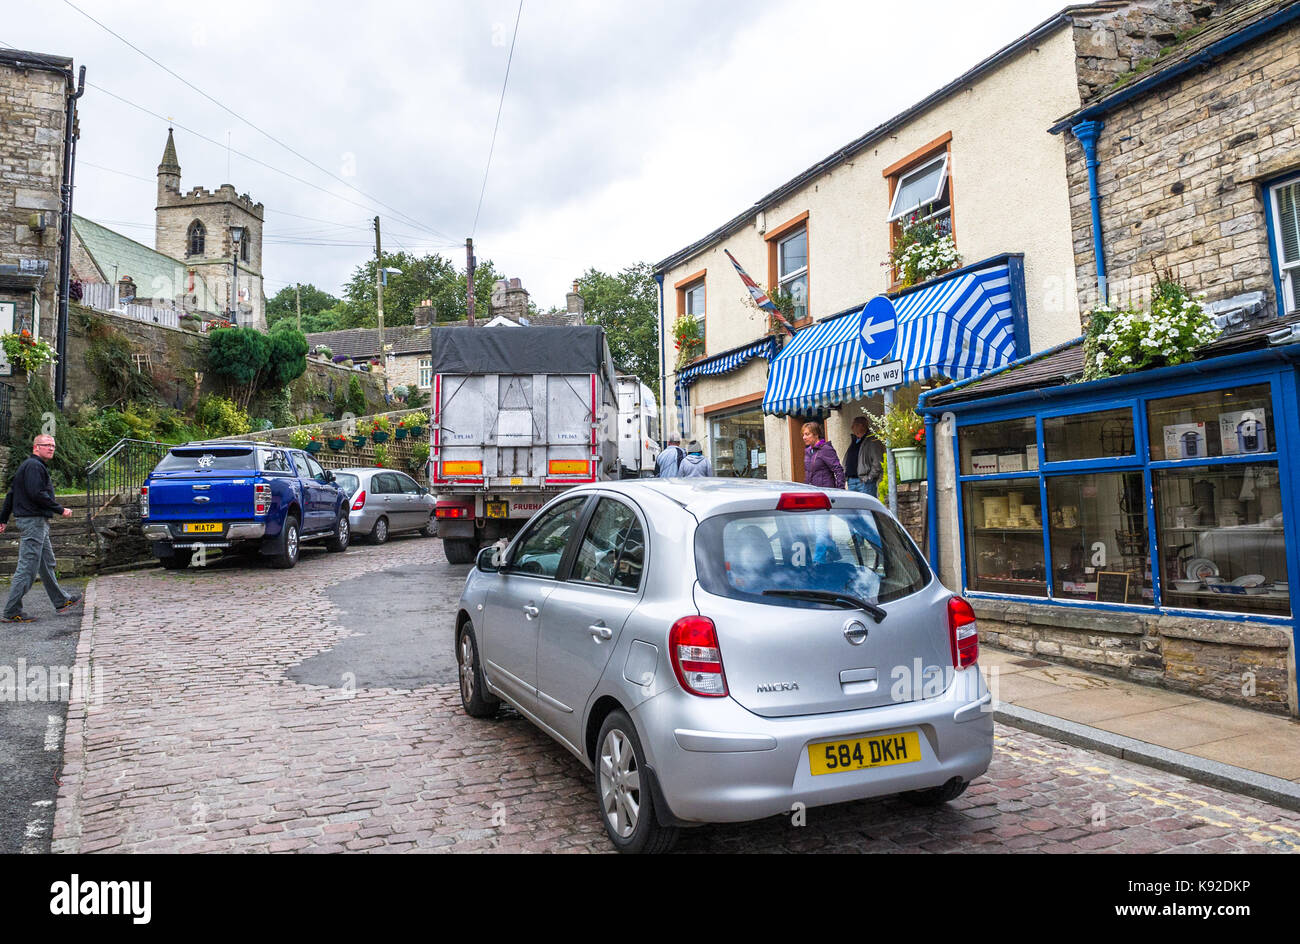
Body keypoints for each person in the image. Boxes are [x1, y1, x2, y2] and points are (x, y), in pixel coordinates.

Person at [0, 434, 82, 623]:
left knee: (46, 562)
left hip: (36, 521)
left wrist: (3, 518)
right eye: (46, 445)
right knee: (27, 567)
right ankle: (12, 611)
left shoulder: (28, 466)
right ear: (36, 447)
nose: (51, 448)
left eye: (53, 445)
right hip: (33, 522)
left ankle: (61, 601)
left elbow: (11, 493)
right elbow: (37, 494)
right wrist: (60, 509)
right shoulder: (34, 466)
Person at [844, 416, 884, 495]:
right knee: (854, 507)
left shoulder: (872, 440)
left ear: (861, 426)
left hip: (864, 482)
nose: (851, 427)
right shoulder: (854, 440)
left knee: (866, 506)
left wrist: (870, 477)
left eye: (854, 425)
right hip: (851, 481)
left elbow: (878, 461)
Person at [802, 421, 845, 489]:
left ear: (816, 435)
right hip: (812, 491)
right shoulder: (808, 451)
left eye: (807, 434)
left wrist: (840, 490)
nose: (804, 437)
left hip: (826, 491)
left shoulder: (825, 449)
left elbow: (838, 470)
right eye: (803, 434)